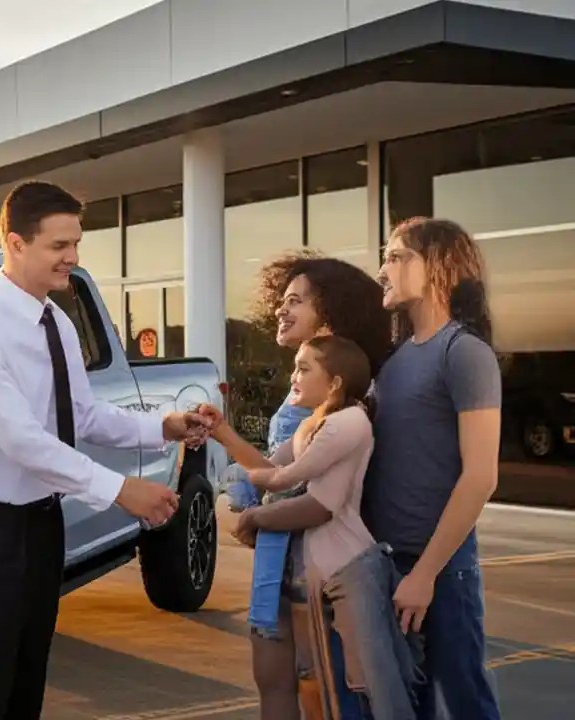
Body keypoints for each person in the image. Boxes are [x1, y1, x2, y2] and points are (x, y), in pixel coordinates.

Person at [0, 180, 211, 720]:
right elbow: (20, 440)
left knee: (25, 684)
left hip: (40, 525)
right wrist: (120, 489)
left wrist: (167, 426)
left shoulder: (57, 321)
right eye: (59, 246)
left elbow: (81, 417)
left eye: (76, 243)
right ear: (15, 244)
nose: (74, 258)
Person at [207, 336, 422, 720]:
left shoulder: (349, 422)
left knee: (378, 684)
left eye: (305, 368)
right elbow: (272, 468)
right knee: (338, 684)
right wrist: (223, 432)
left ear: (335, 382)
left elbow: (303, 490)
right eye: (295, 366)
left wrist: (254, 513)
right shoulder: (314, 425)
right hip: (323, 573)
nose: (294, 376)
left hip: (352, 569)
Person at [224, 253, 391, 720]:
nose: (280, 309)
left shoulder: (338, 407)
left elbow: (315, 500)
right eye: (282, 299)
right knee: (276, 680)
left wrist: (254, 512)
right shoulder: (307, 395)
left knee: (313, 686)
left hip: (309, 568)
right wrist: (226, 440)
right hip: (278, 559)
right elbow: (271, 475)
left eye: (295, 301)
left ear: (330, 316)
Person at [365, 217, 502, 719]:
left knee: (466, 703)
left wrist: (424, 575)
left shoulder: (464, 353)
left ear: (440, 267)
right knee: (408, 706)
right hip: (387, 565)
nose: (384, 269)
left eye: (398, 256)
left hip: (440, 572)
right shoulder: (394, 361)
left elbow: (481, 476)